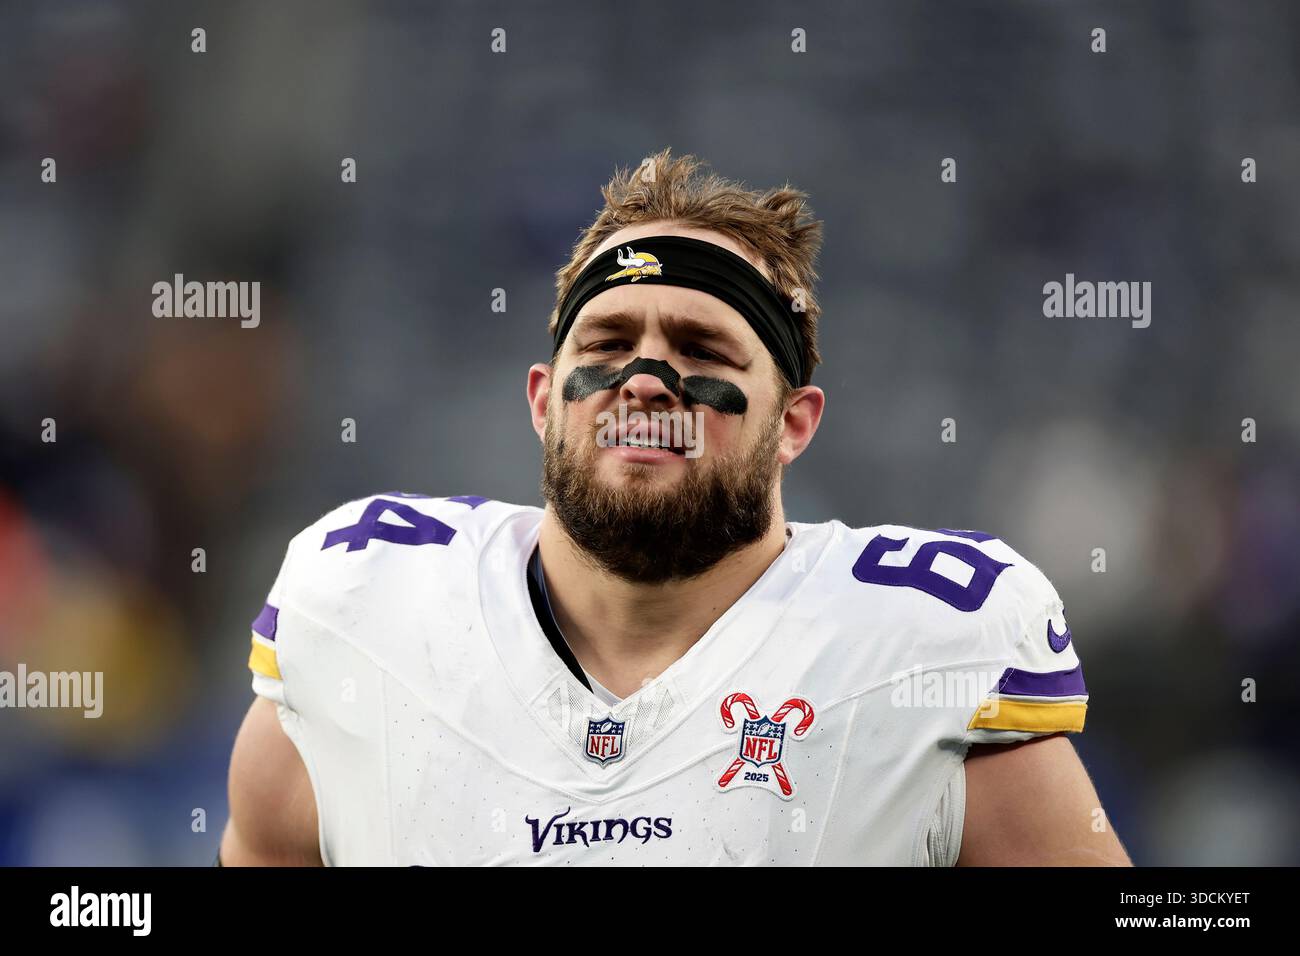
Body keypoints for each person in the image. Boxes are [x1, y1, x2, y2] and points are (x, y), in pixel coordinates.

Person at [220, 149, 1131, 866]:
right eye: (610, 338)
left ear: (793, 424)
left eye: (703, 350)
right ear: (544, 401)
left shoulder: (924, 643)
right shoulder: (361, 604)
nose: (647, 380)